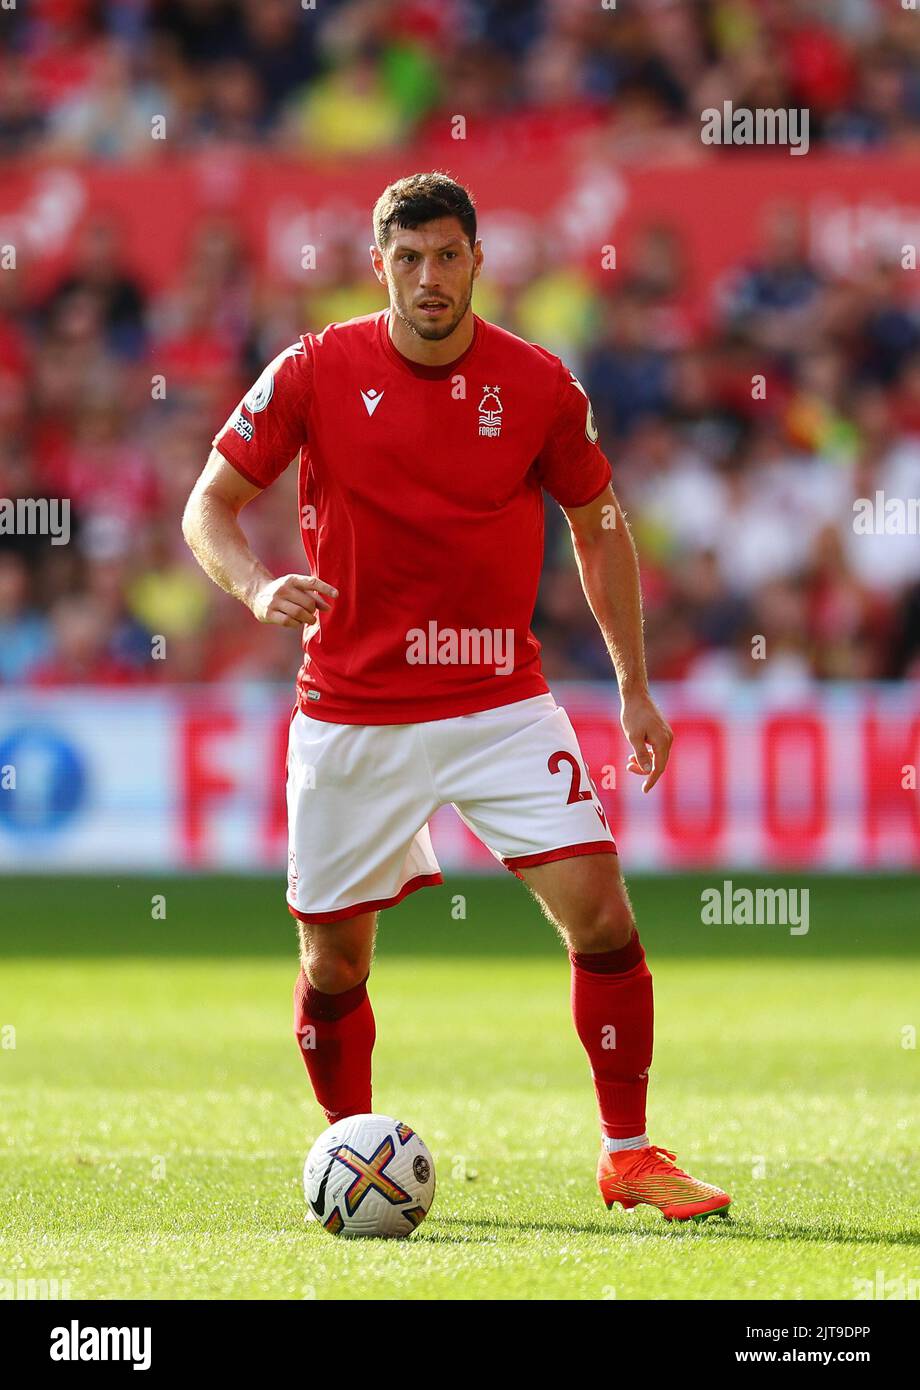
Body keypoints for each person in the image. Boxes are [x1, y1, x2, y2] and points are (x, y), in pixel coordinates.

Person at [182, 172, 731, 1223]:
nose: (428, 277)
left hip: (498, 703)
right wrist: (255, 586)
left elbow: (599, 523)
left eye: (446, 256)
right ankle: (349, 1151)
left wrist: (632, 686)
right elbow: (209, 506)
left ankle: (628, 1152)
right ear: (375, 263)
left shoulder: (536, 385)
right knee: (333, 961)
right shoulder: (311, 369)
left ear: (477, 262)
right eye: (408, 258)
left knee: (603, 917)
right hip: (350, 712)